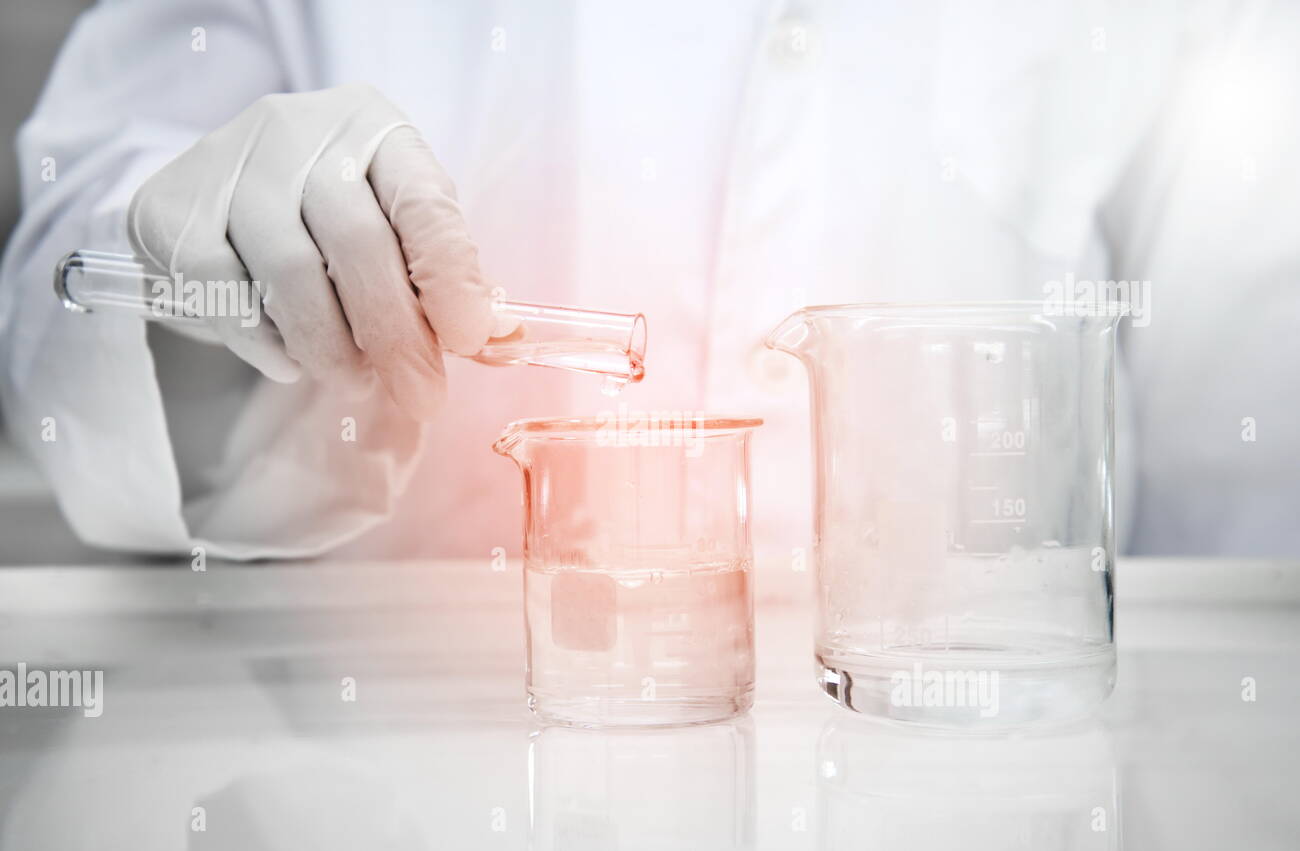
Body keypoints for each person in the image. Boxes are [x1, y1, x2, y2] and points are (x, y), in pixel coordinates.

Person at [1, 0, 1297, 560]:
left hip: (992, 787)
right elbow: (67, 278)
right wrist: (198, 260)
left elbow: (1248, 484)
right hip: (396, 786)